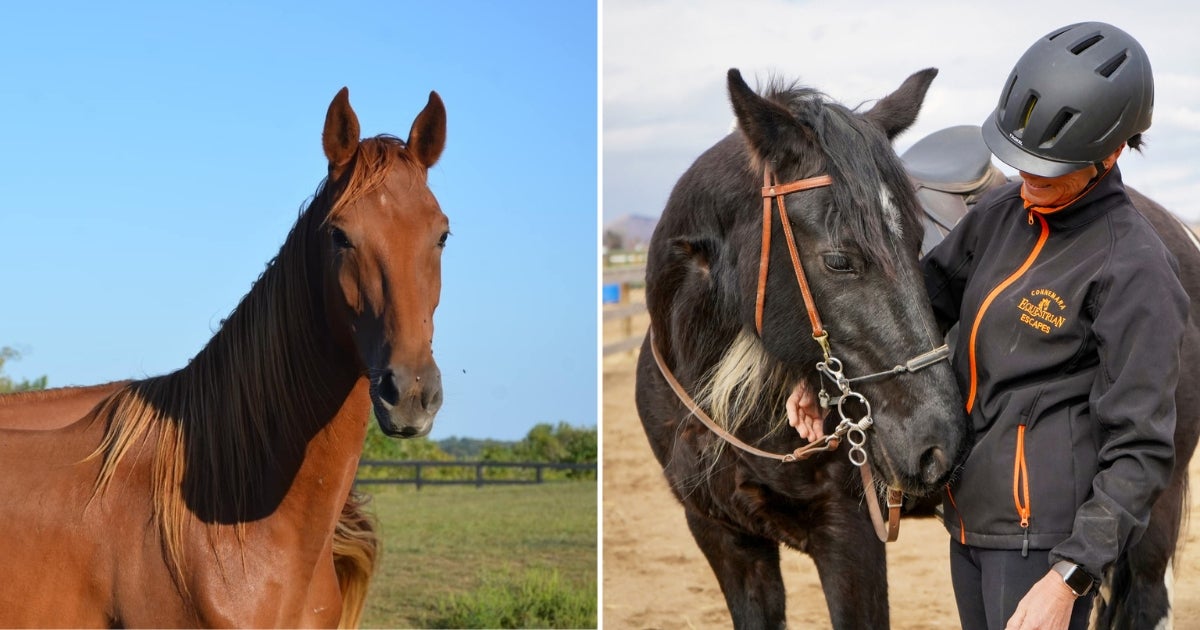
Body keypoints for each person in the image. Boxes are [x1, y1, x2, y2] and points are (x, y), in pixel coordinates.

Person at [787, 22, 1186, 630]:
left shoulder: (1134, 269)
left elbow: (1142, 450)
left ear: (1108, 155)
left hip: (1046, 546)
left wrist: (1071, 575)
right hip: (970, 522)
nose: (1026, 181)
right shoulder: (1000, 215)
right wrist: (819, 376)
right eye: (1020, 162)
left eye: (1048, 170)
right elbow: (915, 310)